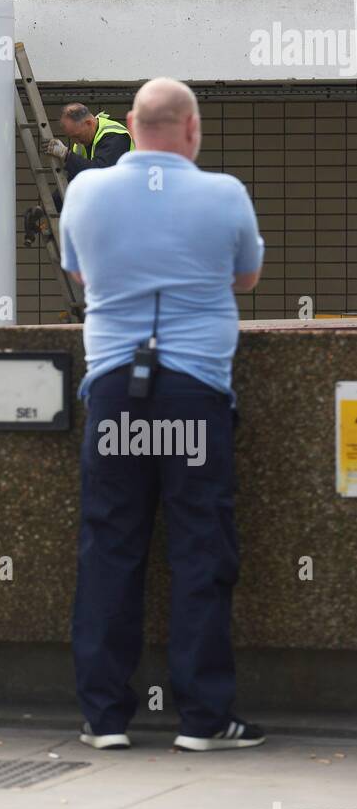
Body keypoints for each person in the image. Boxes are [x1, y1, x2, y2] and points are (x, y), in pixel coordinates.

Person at [59, 78, 265, 753]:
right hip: (194, 395)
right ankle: (203, 720)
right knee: (200, 549)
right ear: (190, 130)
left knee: (108, 548)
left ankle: (104, 717)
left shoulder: (85, 191)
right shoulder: (223, 193)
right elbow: (245, 280)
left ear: (131, 126)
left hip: (115, 393)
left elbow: (80, 273)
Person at [43, 103, 133, 183]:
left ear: (89, 123)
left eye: (77, 136)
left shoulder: (114, 135)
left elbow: (101, 172)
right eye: (72, 137)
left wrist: (66, 155)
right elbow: (75, 180)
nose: (77, 142)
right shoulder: (81, 144)